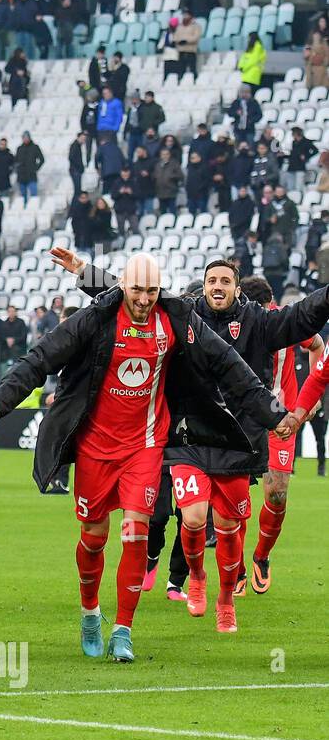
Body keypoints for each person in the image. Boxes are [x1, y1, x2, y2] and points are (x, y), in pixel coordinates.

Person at [0, 252, 295, 661]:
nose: (144, 299)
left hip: (145, 446)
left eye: (152, 291)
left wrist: (272, 414)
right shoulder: (95, 319)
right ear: (121, 287)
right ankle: (91, 612)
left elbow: (228, 364)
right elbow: (38, 361)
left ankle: (123, 629)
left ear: (160, 291)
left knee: (136, 533)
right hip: (95, 447)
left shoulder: (175, 320)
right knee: (93, 537)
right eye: (136, 290)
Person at [51, 251, 322, 634]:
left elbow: (300, 318)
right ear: (204, 285)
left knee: (228, 525)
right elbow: (130, 293)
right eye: (212, 281)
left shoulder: (256, 322)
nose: (217, 287)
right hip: (189, 434)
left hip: (237, 440)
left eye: (225, 282)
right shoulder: (184, 313)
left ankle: (226, 600)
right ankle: (195, 575)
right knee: (193, 517)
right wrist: (83, 271)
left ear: (237, 289)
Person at [239, 277, 324, 593]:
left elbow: (315, 344)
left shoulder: (282, 321)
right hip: (242, 419)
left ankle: (261, 556)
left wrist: (309, 397)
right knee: (235, 498)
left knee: (277, 493)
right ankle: (234, 567)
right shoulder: (234, 321)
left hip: (280, 419)